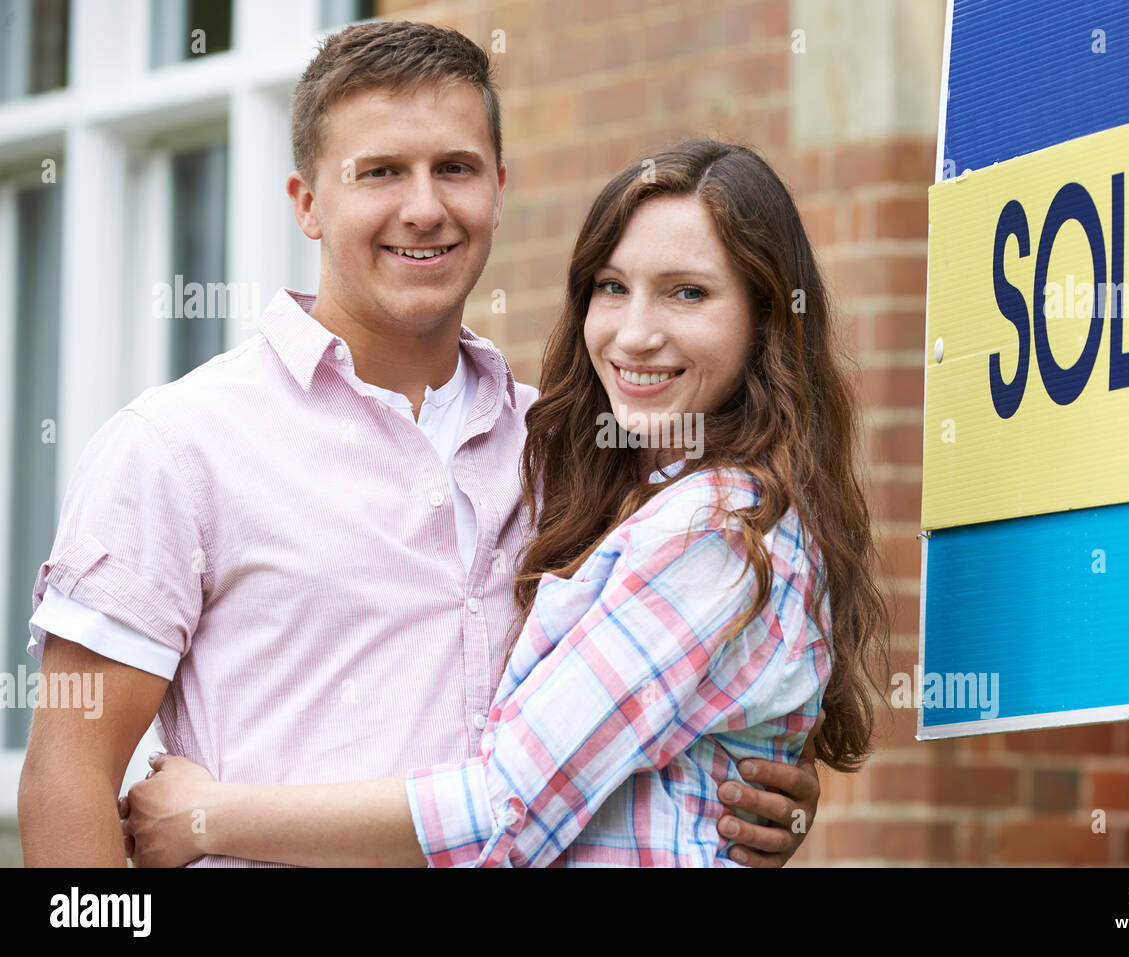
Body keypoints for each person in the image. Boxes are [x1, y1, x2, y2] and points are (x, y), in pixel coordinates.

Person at [17, 21, 816, 867]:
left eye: (455, 169)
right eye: (382, 172)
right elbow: (67, 781)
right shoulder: (176, 448)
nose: (425, 207)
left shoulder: (573, 449)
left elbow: (676, 679)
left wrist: (751, 786)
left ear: (499, 189)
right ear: (308, 204)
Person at [121, 138, 892, 867]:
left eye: (687, 293)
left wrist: (206, 814)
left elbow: (506, 807)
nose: (634, 333)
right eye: (612, 288)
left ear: (765, 318)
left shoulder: (716, 533)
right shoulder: (612, 488)